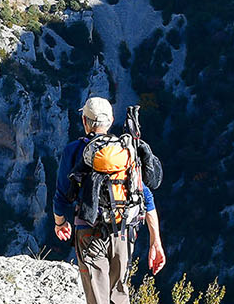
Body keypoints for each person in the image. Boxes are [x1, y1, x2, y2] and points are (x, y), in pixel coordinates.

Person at [53, 97, 165, 304]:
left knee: (97, 297)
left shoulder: (75, 150)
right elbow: (146, 197)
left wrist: (60, 223)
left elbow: (61, 196)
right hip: (123, 232)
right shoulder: (126, 151)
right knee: (119, 295)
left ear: (84, 121)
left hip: (89, 233)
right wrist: (155, 241)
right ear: (111, 120)